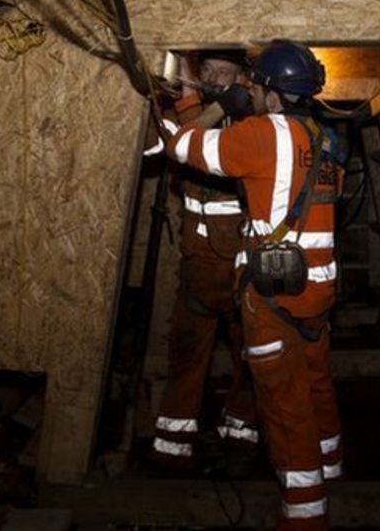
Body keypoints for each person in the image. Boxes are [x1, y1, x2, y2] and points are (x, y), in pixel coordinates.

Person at [166, 40, 343, 530]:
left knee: (285, 404)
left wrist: (215, 107)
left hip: (275, 294)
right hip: (319, 291)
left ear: (271, 92)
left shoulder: (262, 135)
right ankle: (331, 467)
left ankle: (305, 512)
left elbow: (183, 147)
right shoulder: (324, 138)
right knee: (316, 380)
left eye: (256, 86)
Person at [150, 50, 260, 473]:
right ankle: (172, 446)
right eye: (208, 70)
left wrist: (206, 105)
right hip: (198, 262)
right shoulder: (188, 112)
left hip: (242, 261)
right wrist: (178, 92)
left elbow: (216, 150)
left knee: (250, 354)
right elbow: (170, 146)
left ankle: (241, 433)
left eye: (224, 72)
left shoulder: (254, 120)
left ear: (243, 77)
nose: (215, 78)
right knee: (186, 352)